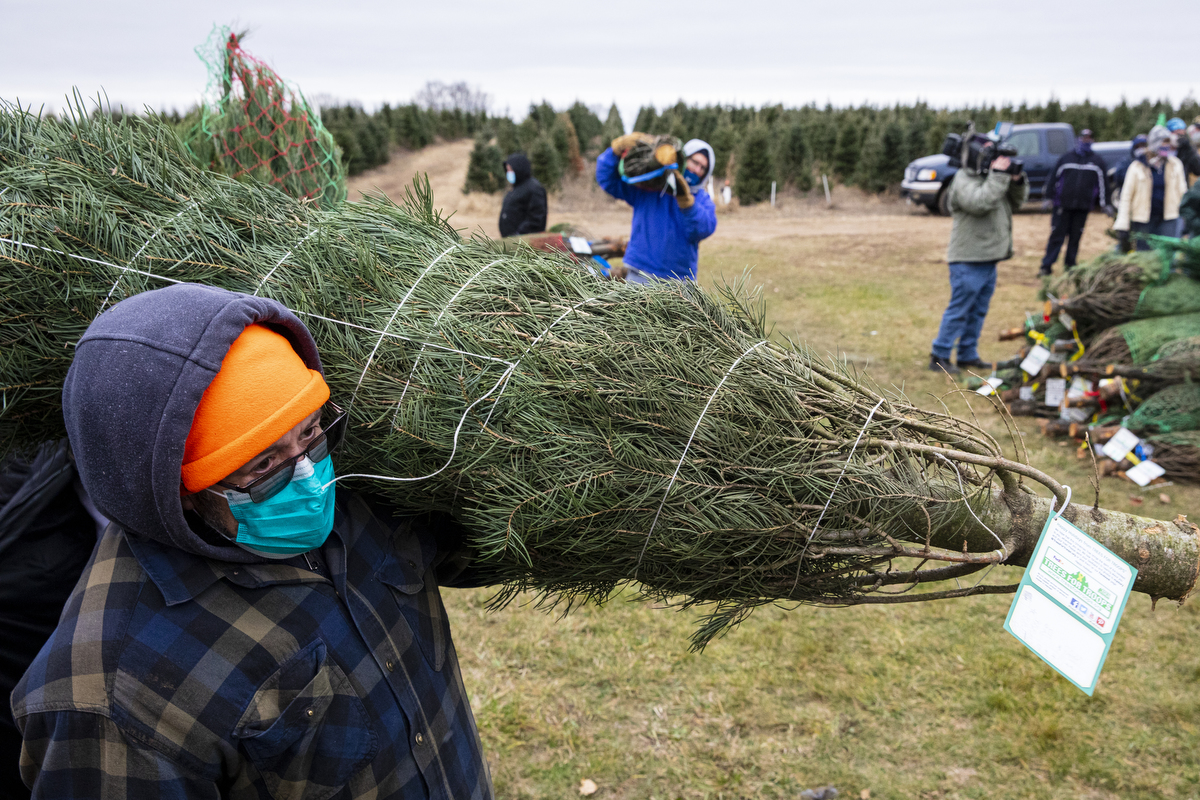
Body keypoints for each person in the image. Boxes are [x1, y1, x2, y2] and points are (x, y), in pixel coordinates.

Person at [11, 284, 493, 798]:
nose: (311, 479)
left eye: (309, 432)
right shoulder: (111, 697)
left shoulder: (360, 494)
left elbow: (477, 555)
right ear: (178, 491)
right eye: (263, 464)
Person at [930, 137, 1029, 374]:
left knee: (977, 311)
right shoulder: (963, 179)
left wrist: (1015, 181)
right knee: (960, 309)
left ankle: (967, 355)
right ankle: (940, 355)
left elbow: (1016, 203)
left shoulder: (989, 178)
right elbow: (980, 202)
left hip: (988, 257)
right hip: (968, 258)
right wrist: (998, 175)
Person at [596, 134, 717, 282]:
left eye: (703, 168)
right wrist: (615, 150)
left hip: (680, 280)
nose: (696, 169)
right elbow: (607, 180)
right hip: (640, 274)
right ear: (684, 158)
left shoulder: (701, 199)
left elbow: (704, 228)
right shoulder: (650, 187)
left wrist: (687, 202)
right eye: (694, 162)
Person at [1039, 129, 1109, 275]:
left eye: (1089, 138)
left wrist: (1105, 203)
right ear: (1079, 139)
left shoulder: (1097, 161)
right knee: (1056, 235)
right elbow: (1053, 178)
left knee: (1075, 238)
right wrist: (1048, 197)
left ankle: (1070, 266)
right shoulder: (1066, 158)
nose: (1086, 141)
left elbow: (1104, 184)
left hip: (1082, 207)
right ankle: (1046, 265)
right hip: (1062, 205)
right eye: (1084, 138)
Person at [1114, 125, 1188, 252]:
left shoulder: (1175, 164)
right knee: (1145, 256)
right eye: (1164, 142)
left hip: (1168, 219)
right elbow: (1126, 197)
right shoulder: (1137, 166)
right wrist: (1122, 225)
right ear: (1154, 143)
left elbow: (1183, 193)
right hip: (1143, 221)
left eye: (1168, 143)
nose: (1167, 147)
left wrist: (1186, 219)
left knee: (1167, 255)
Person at [498, 152, 546, 238]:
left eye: (510, 170)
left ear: (519, 168)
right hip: (510, 241)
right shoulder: (516, 188)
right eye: (507, 170)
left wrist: (519, 233)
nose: (508, 173)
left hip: (524, 242)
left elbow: (536, 218)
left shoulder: (534, 189)